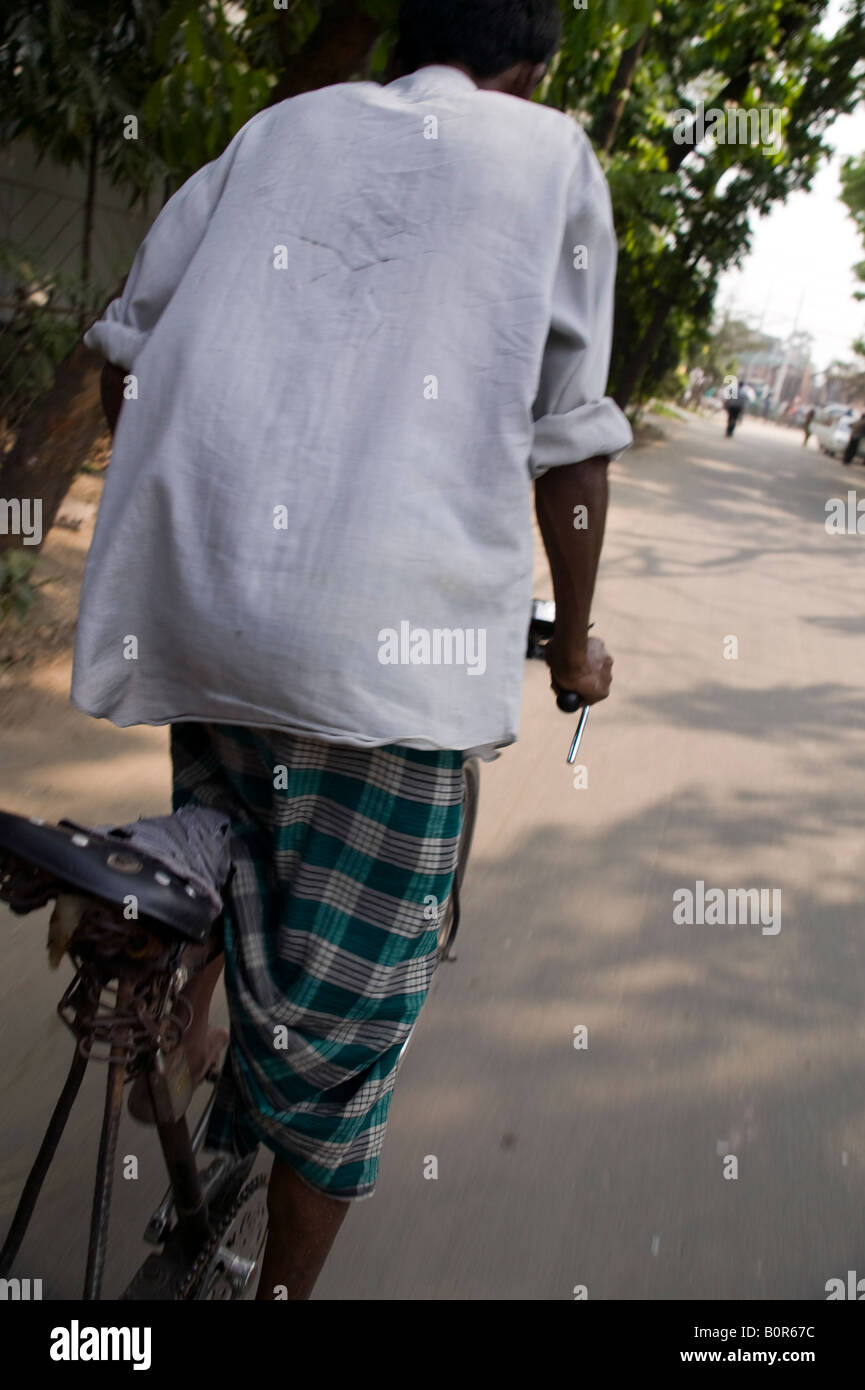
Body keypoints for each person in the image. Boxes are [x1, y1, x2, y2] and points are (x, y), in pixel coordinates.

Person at [74, 0, 631, 1299]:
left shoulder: (275, 134)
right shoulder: (547, 155)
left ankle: (183, 920)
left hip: (208, 619)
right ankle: (279, 1292)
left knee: (228, 804)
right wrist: (576, 644)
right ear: (526, 71)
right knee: (345, 1040)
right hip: (390, 665)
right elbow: (570, 441)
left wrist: (190, 528)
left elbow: (124, 355)